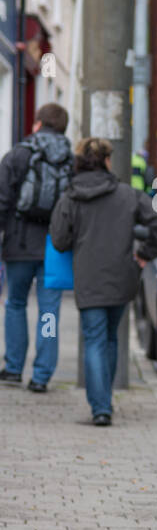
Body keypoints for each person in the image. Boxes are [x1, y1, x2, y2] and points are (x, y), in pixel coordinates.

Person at [49, 138, 157, 426]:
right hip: (121, 276)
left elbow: (59, 240)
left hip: (88, 277)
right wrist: (144, 255)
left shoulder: (71, 196)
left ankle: (100, 406)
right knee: (110, 337)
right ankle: (105, 401)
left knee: (93, 339)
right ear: (106, 161)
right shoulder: (127, 194)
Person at [0, 103, 74, 392]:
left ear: (38, 123)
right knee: (49, 312)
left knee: (16, 303)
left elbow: (2, 199)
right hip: (56, 248)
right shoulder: (71, 159)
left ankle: (14, 367)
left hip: (19, 243)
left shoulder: (19, 154)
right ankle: (42, 375)